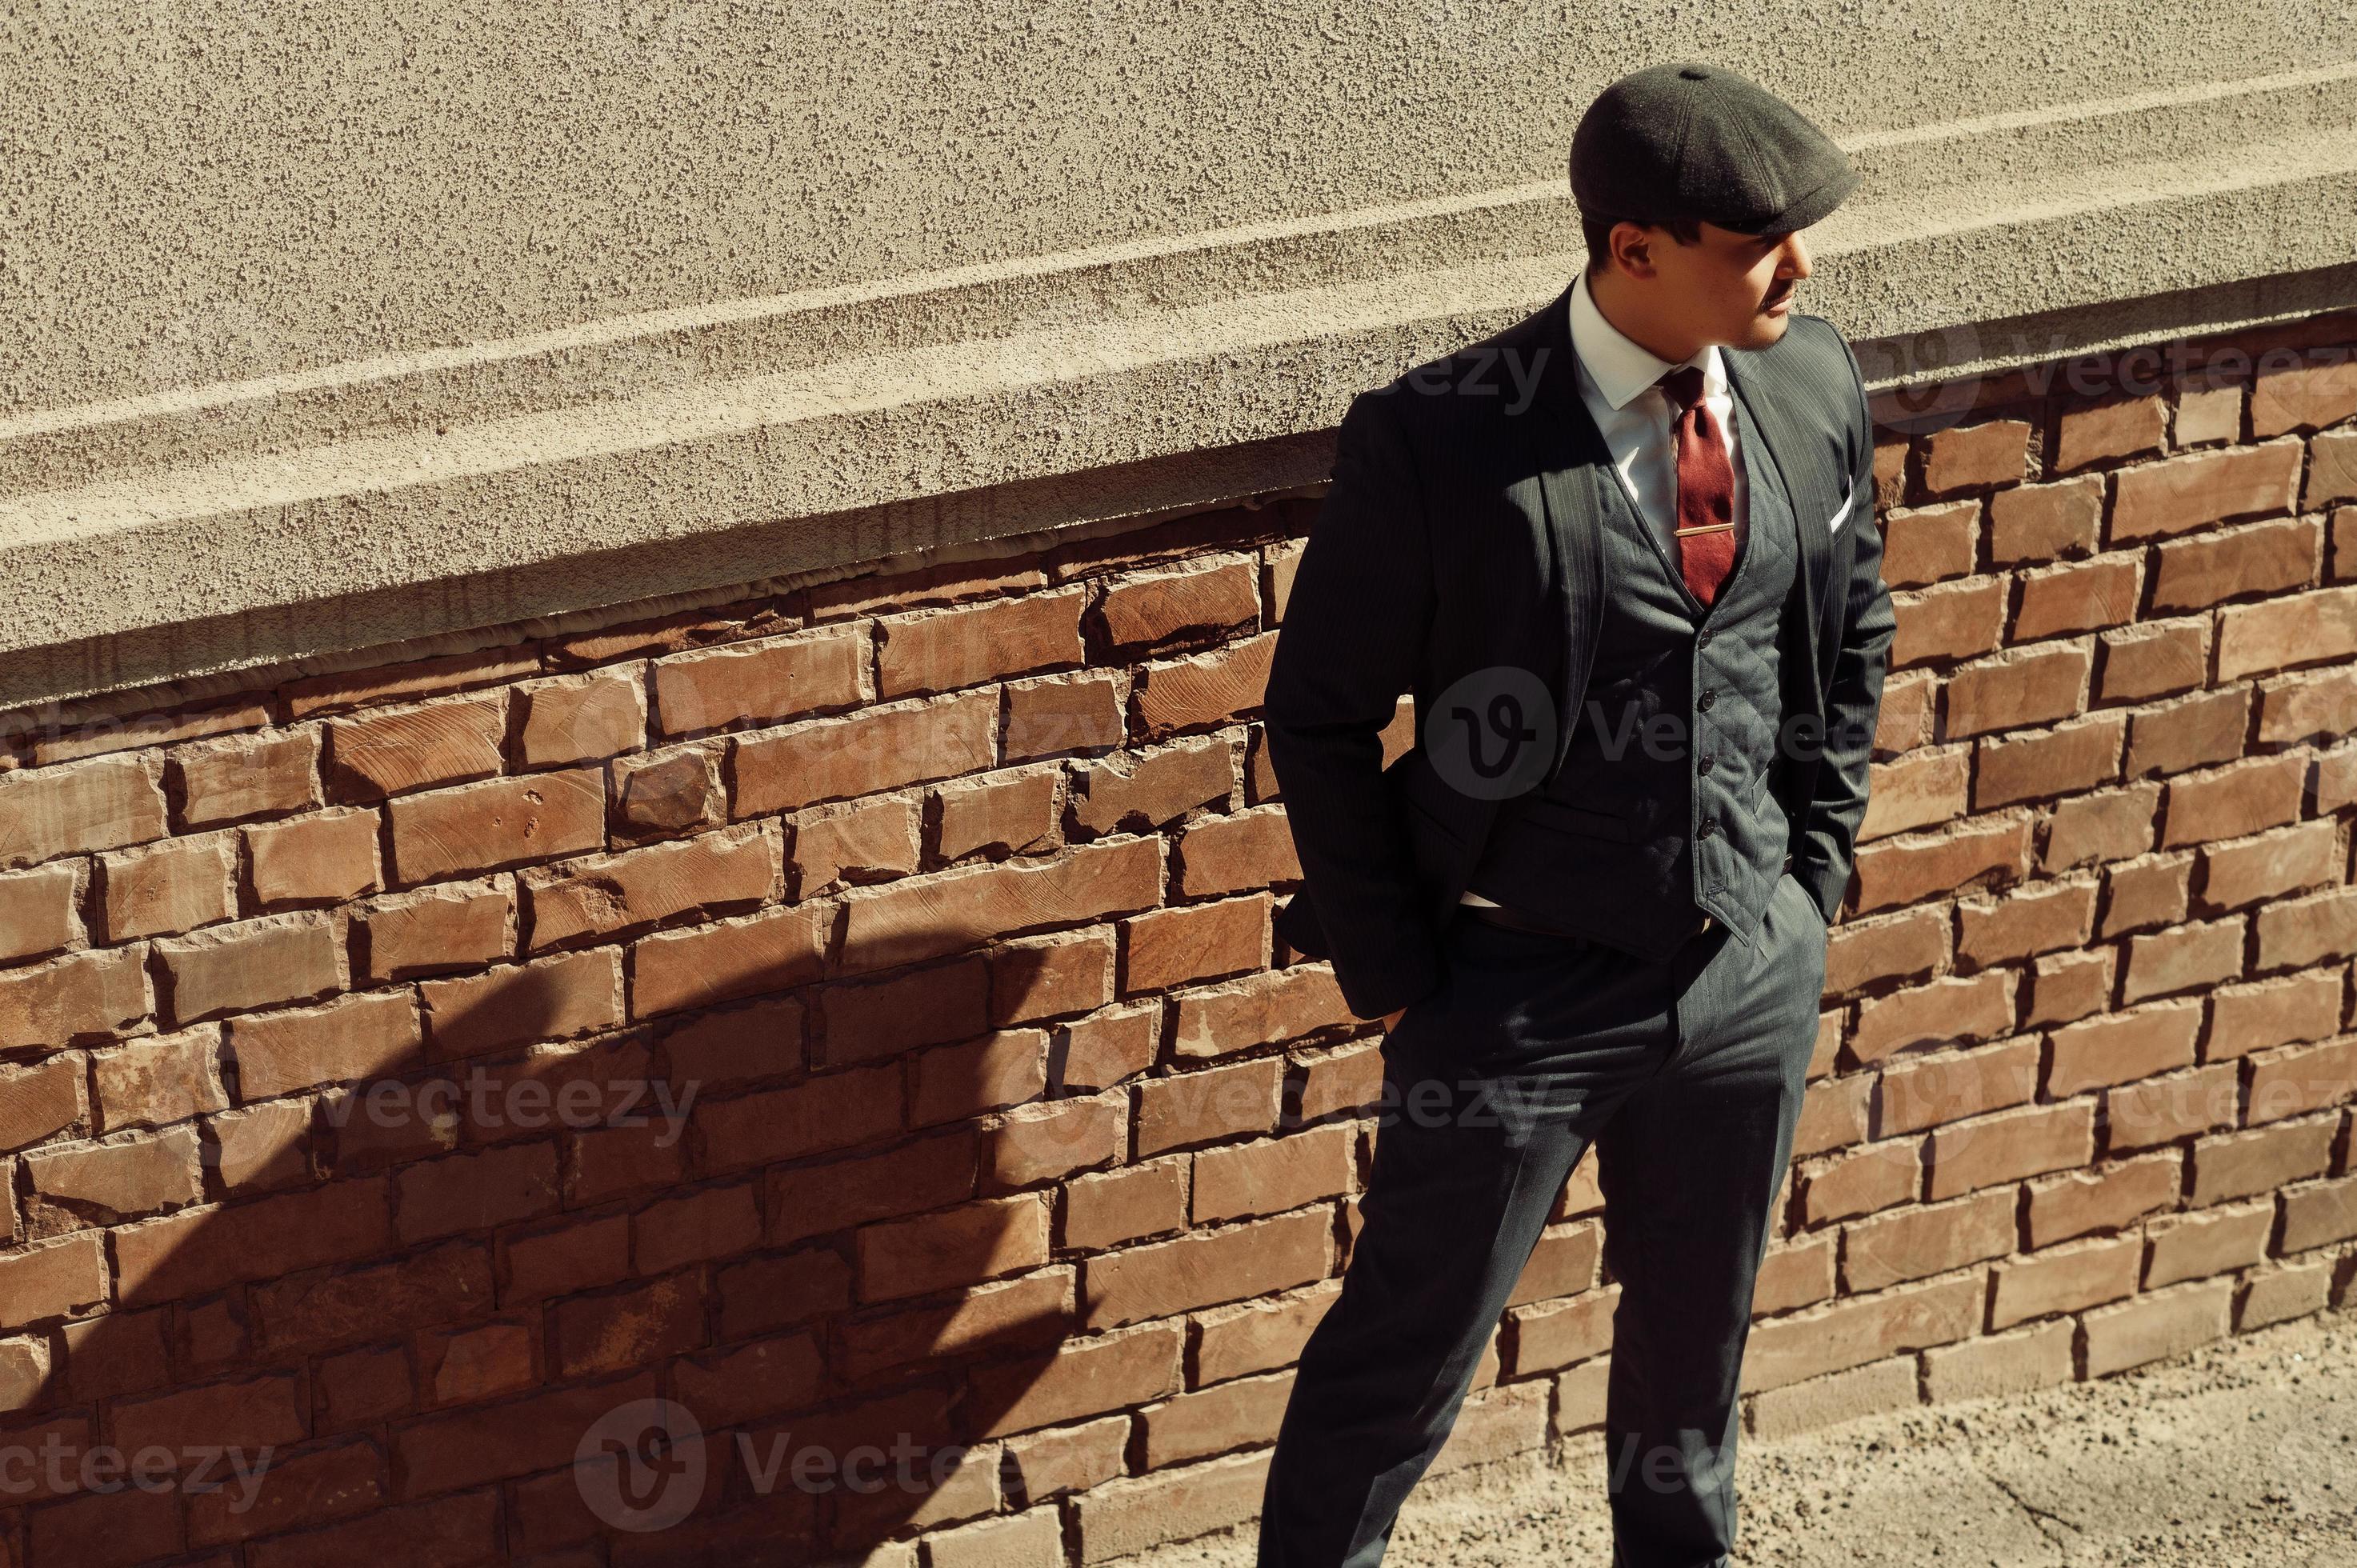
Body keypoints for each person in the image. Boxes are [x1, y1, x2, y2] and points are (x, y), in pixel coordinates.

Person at [1256, 62, 1896, 1568]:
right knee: (1401, 1363)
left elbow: (1850, 630)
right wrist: (1410, 981)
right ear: (1632, 252)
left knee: (1697, 1348)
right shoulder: (1440, 439)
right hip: (1512, 996)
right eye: (1758, 242)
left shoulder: (1809, 385)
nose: (1798, 266)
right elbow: (1319, 716)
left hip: (1745, 969)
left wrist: (1810, 875)